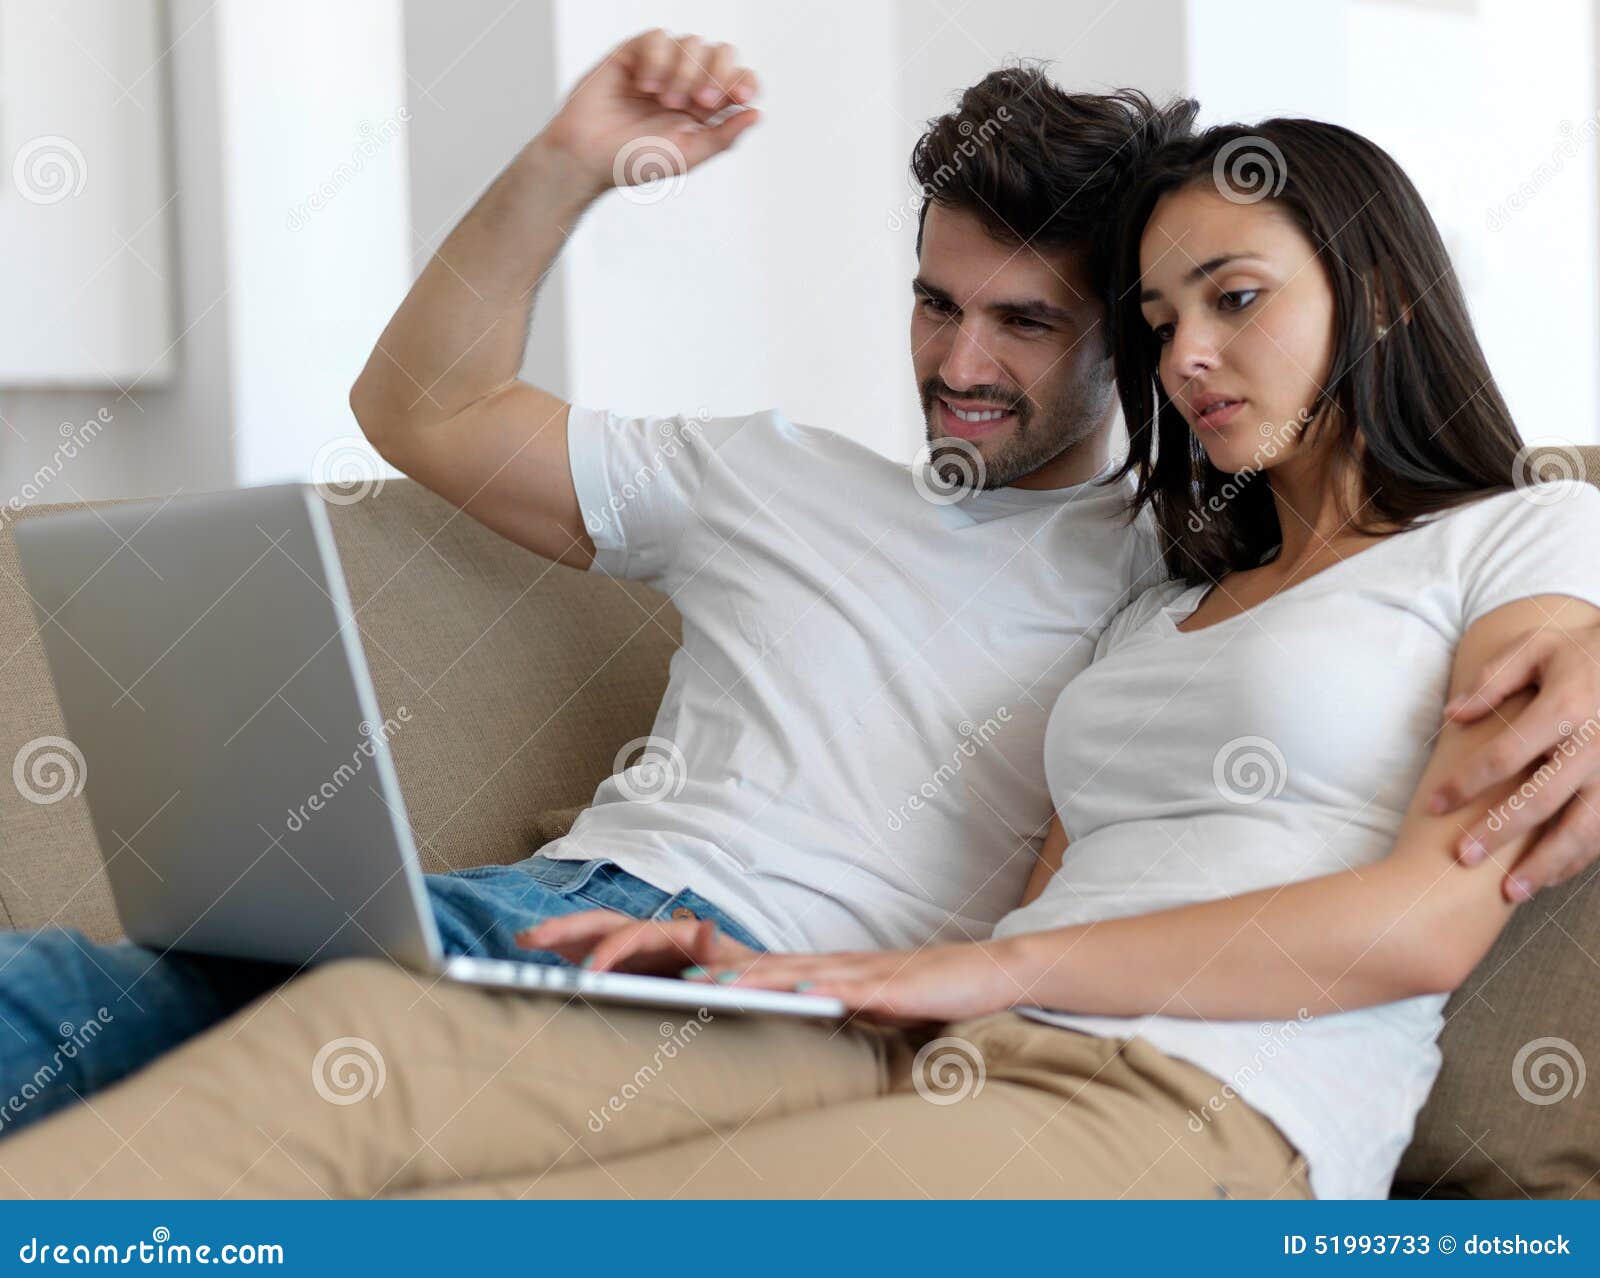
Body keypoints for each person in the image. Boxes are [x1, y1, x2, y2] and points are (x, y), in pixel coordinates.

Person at [2, 34, 1599, 1194]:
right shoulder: (1088, 589)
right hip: (679, 954)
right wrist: (572, 162)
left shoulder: (1255, 560)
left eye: (1032, 323)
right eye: (936, 303)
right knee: (208, 1033)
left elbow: (1412, 875)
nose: (965, 363)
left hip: (1002, 1046)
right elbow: (420, 406)